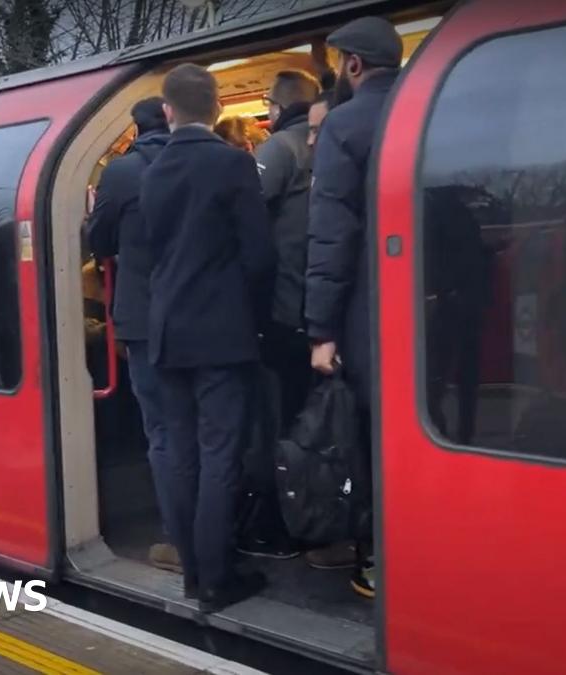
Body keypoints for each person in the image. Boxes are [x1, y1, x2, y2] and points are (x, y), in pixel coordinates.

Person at [138, 64, 276, 612]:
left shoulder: (152, 171)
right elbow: (259, 254)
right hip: (221, 331)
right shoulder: (232, 163)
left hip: (166, 331)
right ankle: (219, 577)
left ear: (167, 111)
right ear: (217, 107)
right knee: (220, 452)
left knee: (181, 454)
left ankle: (193, 574)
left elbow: (155, 251)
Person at [305, 16, 403, 599]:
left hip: (370, 315)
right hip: (432, 311)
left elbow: (331, 235)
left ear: (354, 65)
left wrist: (321, 330)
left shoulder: (345, 124)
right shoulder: (428, 111)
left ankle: (379, 564)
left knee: (367, 438)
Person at [83, 98, 184, 575]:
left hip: (143, 321)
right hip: (209, 319)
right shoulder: (216, 161)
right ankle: (219, 533)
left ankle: (180, 539)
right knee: (207, 430)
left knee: (163, 432)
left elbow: (99, 240)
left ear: (136, 129)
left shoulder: (122, 172)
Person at [234, 70, 321, 561]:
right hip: (320, 310)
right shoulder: (325, 143)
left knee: (277, 423)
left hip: (282, 311)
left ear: (275, 106)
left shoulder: (280, 148)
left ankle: (279, 525)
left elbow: (244, 212)